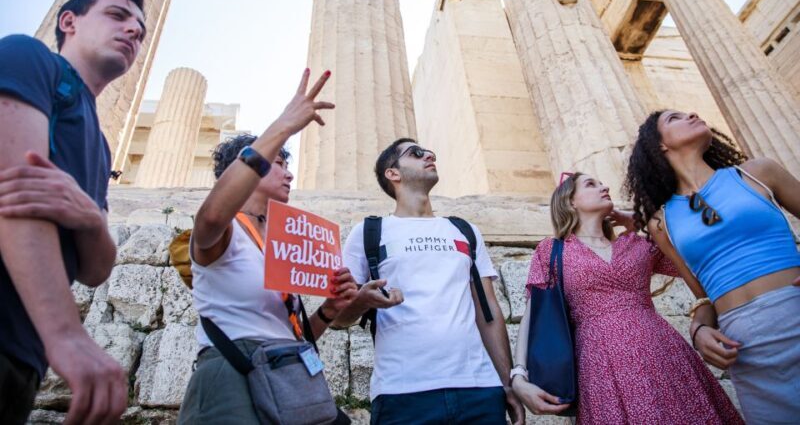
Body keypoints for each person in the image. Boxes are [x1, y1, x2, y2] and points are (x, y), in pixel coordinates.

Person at [0, 0, 147, 425]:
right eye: (118, 15)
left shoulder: (101, 147)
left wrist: (87, 217)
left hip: (24, 354)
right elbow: (13, 194)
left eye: (140, 31)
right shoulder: (29, 59)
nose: (132, 32)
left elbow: (96, 268)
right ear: (69, 21)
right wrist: (65, 333)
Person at [178, 69, 358, 424]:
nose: (289, 174)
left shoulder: (283, 241)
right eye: (278, 163)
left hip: (285, 376)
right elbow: (211, 218)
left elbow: (289, 333)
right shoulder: (225, 230)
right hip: (231, 382)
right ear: (243, 168)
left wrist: (329, 309)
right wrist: (284, 126)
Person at [514, 172, 742, 424]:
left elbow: (696, 263)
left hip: (662, 352)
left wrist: (638, 222)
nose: (605, 186)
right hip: (600, 363)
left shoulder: (637, 244)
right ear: (570, 202)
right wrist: (519, 376)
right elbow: (533, 315)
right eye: (592, 184)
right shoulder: (551, 250)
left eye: (602, 182)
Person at [625, 110, 800, 424]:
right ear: (659, 145)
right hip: (747, 352)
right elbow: (704, 298)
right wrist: (700, 331)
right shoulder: (660, 223)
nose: (692, 113)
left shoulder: (758, 172)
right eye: (674, 118)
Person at [332, 138, 524, 425]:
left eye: (429, 152)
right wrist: (361, 302)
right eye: (416, 153)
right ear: (392, 173)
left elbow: (489, 312)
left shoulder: (463, 230)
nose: (429, 155)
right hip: (402, 393)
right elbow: (337, 318)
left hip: (479, 389)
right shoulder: (369, 232)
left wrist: (507, 382)